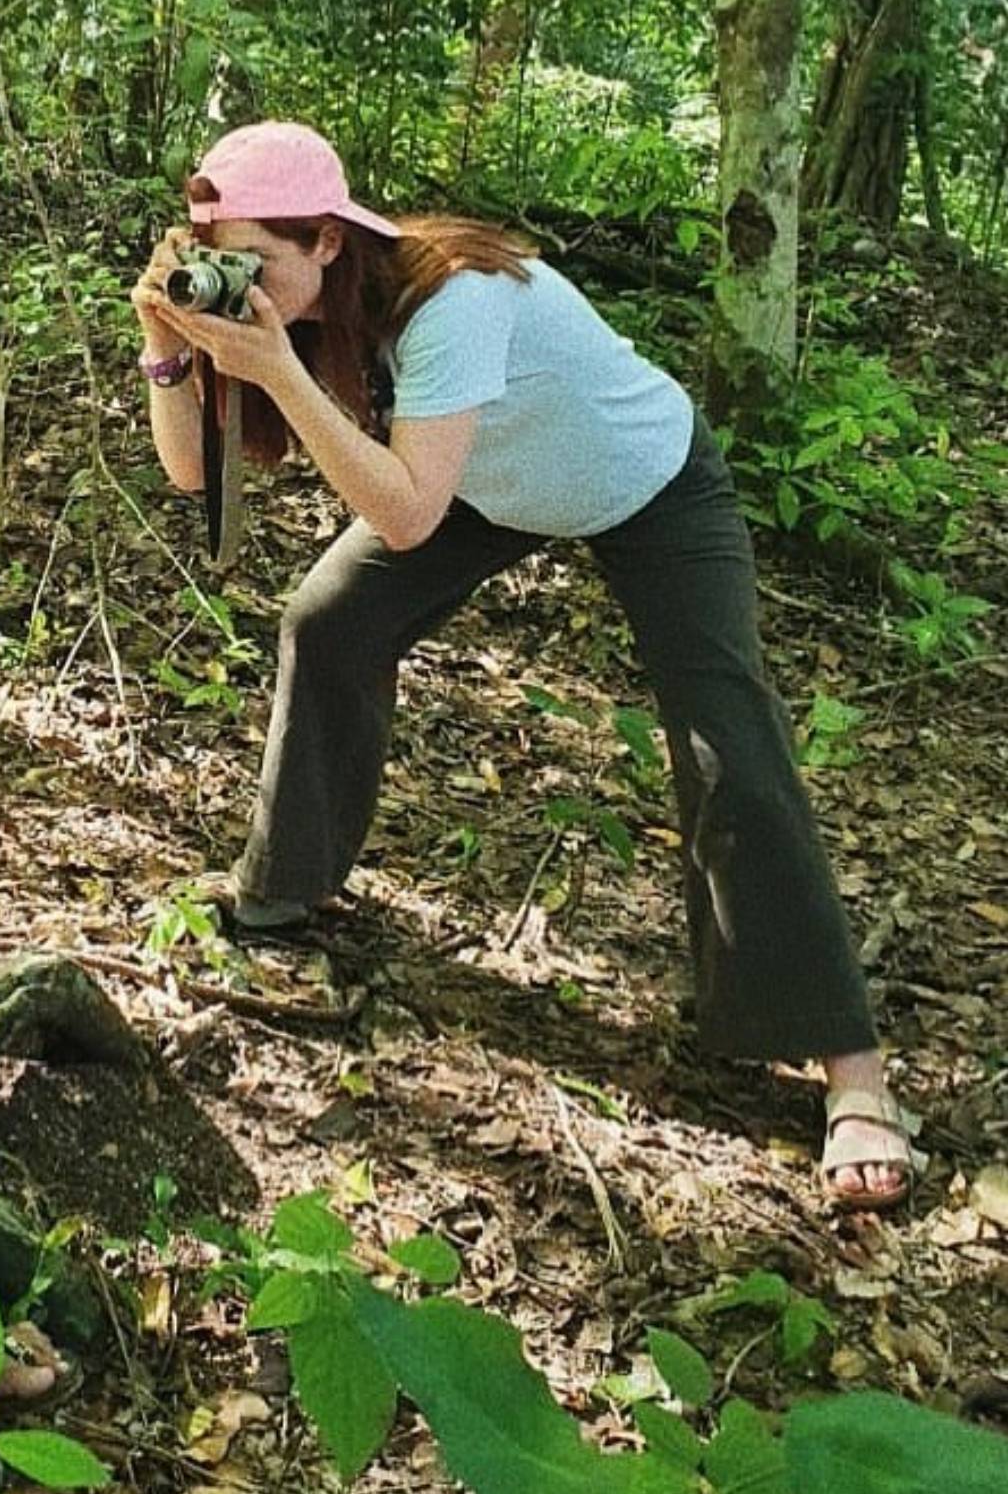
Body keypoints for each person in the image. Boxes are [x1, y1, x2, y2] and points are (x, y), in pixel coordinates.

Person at [132, 119, 918, 1213]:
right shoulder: (302, 309)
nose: (240, 282)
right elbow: (186, 471)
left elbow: (403, 513)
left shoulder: (450, 300)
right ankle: (282, 892)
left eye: (256, 259)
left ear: (326, 238)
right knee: (328, 621)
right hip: (483, 487)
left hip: (644, 480)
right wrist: (169, 340)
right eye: (223, 257)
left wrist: (269, 360)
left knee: (722, 737)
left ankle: (852, 1072)